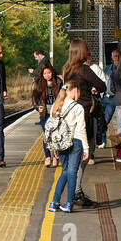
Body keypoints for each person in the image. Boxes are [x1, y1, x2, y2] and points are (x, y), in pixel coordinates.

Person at [61, 38, 108, 207]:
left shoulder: (67, 69)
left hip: (70, 116)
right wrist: (93, 88)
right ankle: (76, 192)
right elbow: (102, 86)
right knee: (84, 154)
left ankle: (73, 191)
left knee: (74, 154)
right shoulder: (84, 70)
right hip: (85, 115)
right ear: (81, 52)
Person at [46, 78, 89, 213]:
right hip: (75, 141)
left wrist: (55, 148)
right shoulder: (78, 107)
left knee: (64, 171)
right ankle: (69, 203)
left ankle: (54, 202)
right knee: (72, 172)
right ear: (75, 90)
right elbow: (81, 128)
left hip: (61, 143)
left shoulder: (56, 105)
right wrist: (86, 148)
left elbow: (53, 128)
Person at [32, 63, 62, 167]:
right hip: (44, 113)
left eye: (49, 73)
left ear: (52, 72)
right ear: (42, 74)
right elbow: (34, 99)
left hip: (56, 112)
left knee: (56, 135)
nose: (47, 75)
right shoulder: (38, 83)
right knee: (46, 135)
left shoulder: (59, 82)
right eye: (45, 73)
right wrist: (37, 107)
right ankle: (47, 157)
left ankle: (55, 157)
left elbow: (63, 97)